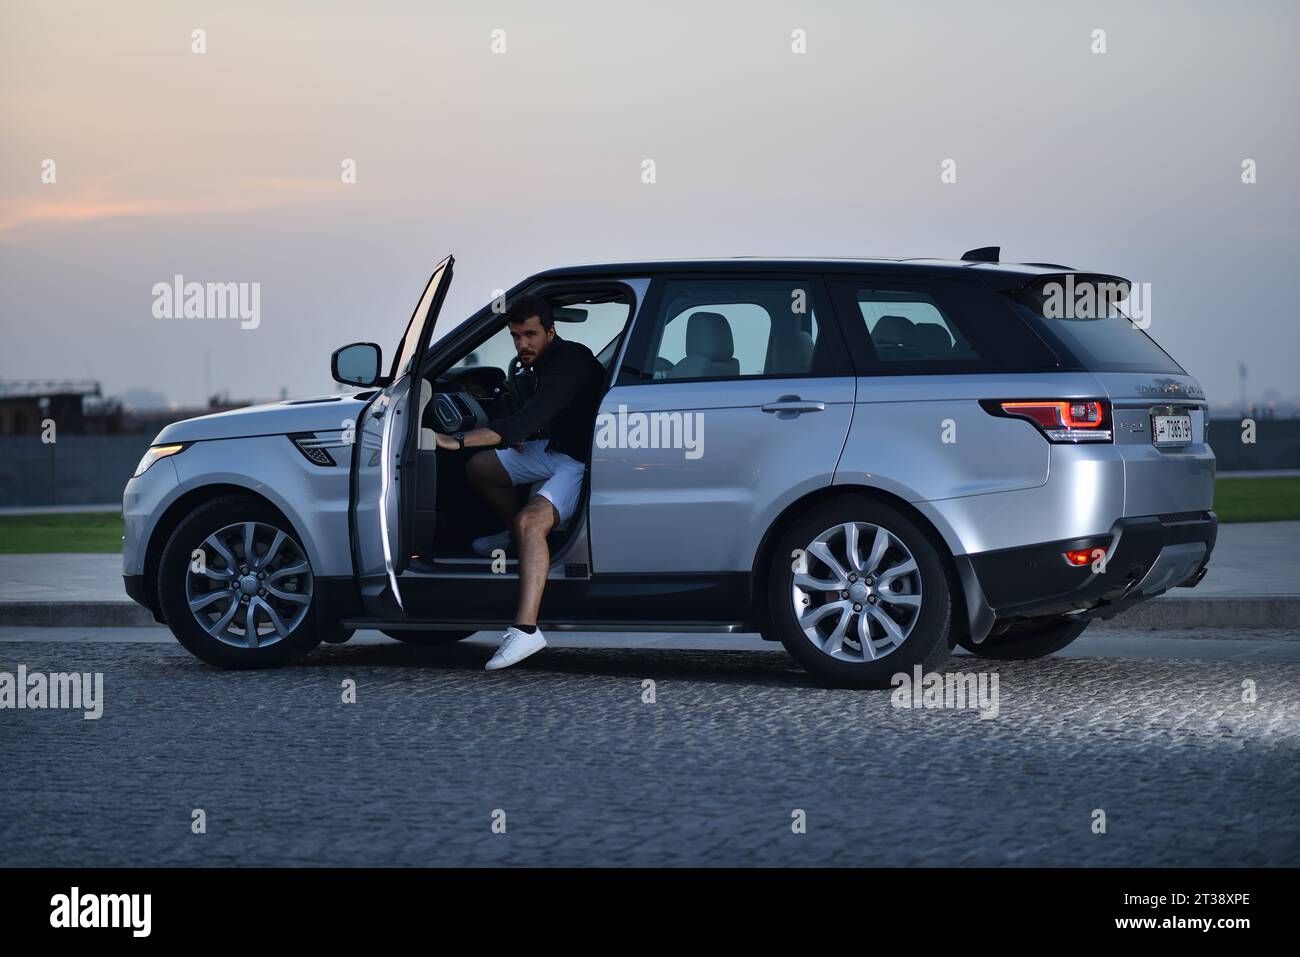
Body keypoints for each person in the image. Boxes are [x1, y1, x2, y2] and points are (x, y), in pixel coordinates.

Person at [433, 294, 604, 671]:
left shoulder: (568, 364)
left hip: (580, 461)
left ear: (550, 331)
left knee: (532, 521)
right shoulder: (539, 363)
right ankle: (515, 539)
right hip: (555, 447)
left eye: (530, 334)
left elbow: (524, 420)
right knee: (481, 467)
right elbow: (535, 413)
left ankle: (526, 630)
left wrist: (454, 440)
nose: (523, 344)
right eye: (515, 336)